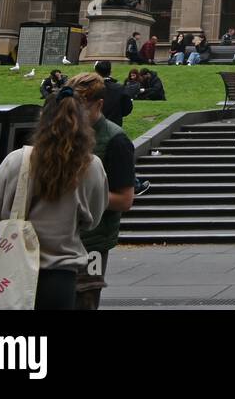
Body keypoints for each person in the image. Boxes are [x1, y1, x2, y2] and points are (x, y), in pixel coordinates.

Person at [0, 86, 109, 310]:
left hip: (9, 274)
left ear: (42, 119)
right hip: (61, 279)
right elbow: (93, 219)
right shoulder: (92, 166)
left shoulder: (16, 162)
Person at [63, 74, 136, 310]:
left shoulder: (116, 140)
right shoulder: (58, 134)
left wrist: (75, 197)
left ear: (99, 105)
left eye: (82, 108)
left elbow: (124, 200)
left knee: (84, 300)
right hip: (57, 239)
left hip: (92, 244)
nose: (75, 115)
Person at [94, 61, 134, 127]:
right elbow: (127, 108)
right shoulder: (120, 88)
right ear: (110, 72)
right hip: (114, 124)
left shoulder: (90, 87)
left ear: (96, 72)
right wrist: (118, 114)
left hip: (94, 125)